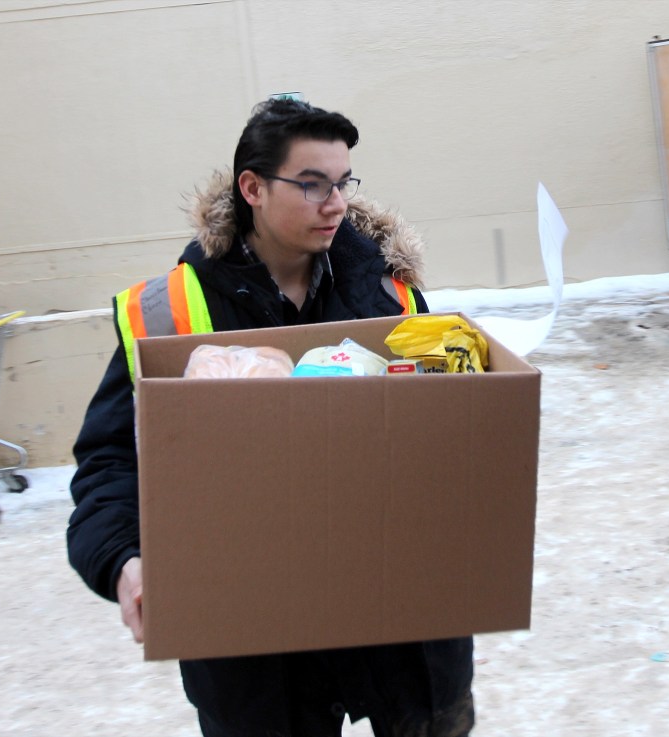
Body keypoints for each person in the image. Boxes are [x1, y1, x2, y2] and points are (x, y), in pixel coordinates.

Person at [67, 98, 475, 737]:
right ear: (252, 188)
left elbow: (444, 429)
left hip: (400, 624)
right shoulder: (169, 313)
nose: (336, 204)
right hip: (255, 642)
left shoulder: (390, 295)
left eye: (343, 183)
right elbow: (110, 462)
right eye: (312, 185)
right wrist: (124, 560)